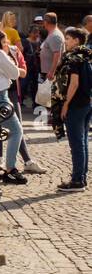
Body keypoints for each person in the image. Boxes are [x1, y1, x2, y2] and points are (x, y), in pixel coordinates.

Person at [0, 30, 28, 185]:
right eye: (4, 42)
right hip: (1, 96)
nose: (6, 45)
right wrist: (14, 64)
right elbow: (15, 73)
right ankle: (10, 168)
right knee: (16, 131)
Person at [58, 27, 92, 191]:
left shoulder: (73, 58)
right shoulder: (87, 56)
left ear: (77, 41)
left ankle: (77, 180)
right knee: (83, 142)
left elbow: (74, 83)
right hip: (87, 103)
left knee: (77, 143)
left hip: (76, 104)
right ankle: (81, 177)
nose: (66, 41)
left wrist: (65, 103)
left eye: (69, 38)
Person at [39, 12, 66, 139]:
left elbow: (57, 55)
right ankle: (53, 120)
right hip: (48, 70)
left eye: (44, 21)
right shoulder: (52, 34)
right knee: (49, 97)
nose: (42, 23)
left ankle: (57, 123)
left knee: (54, 98)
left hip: (52, 72)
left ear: (47, 22)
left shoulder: (55, 35)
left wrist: (52, 71)